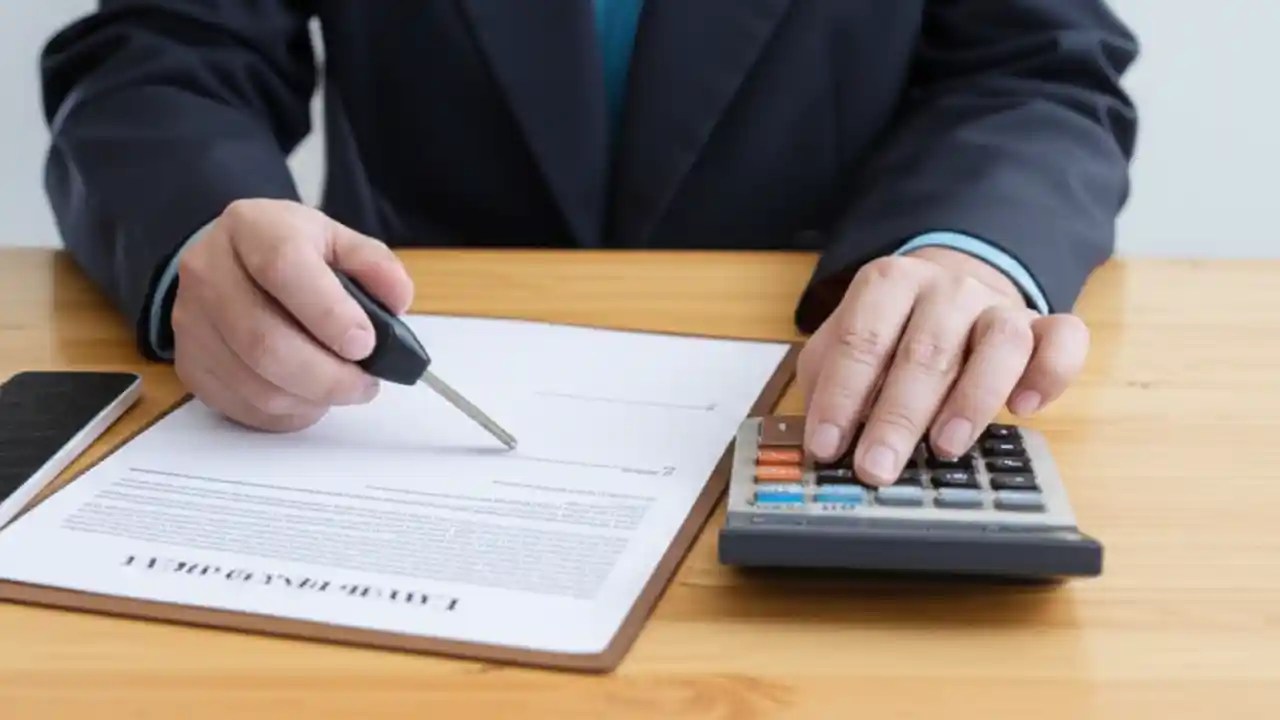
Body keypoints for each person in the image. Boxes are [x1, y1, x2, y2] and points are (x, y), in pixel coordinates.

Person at [38, 1, 1138, 487]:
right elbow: (162, 53)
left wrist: (966, 249)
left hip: (804, 374)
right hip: (390, 356)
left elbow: (1033, 66)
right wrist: (198, 237)